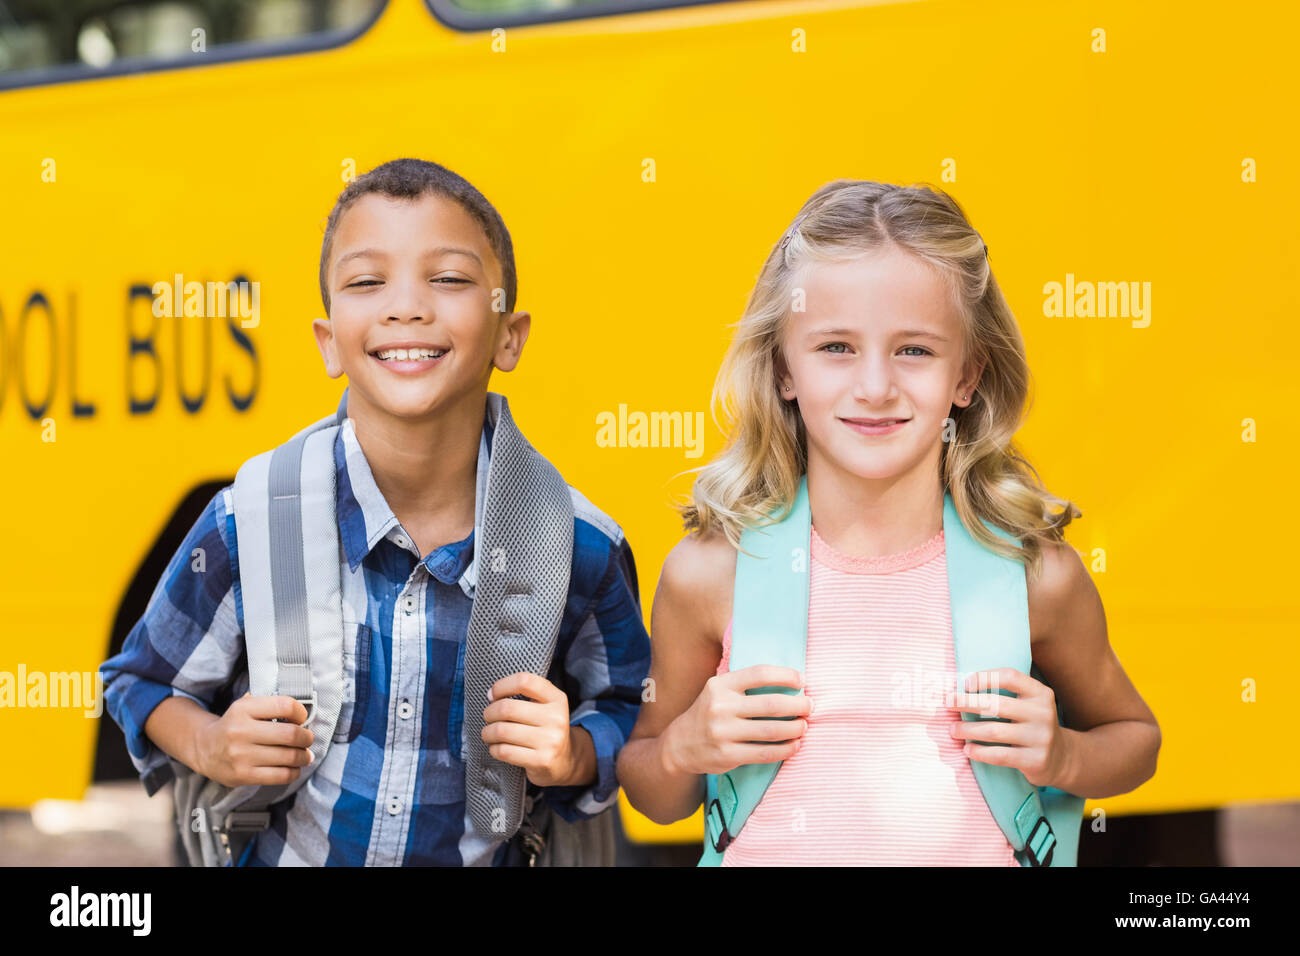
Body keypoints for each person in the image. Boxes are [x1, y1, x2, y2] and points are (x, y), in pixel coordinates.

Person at [100, 158, 651, 866]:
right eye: (367, 282)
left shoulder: (576, 546)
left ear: (510, 335)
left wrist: (574, 753)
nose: (406, 307)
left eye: (448, 278)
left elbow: (633, 709)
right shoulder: (251, 523)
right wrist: (211, 743)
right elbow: (141, 682)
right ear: (328, 343)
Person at [616, 179, 1161, 865]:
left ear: (967, 377)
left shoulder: (1036, 576)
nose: (875, 386)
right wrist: (687, 746)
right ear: (784, 368)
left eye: (915, 350)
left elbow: (1135, 740)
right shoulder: (712, 571)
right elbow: (651, 792)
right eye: (836, 348)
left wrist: (1064, 755)